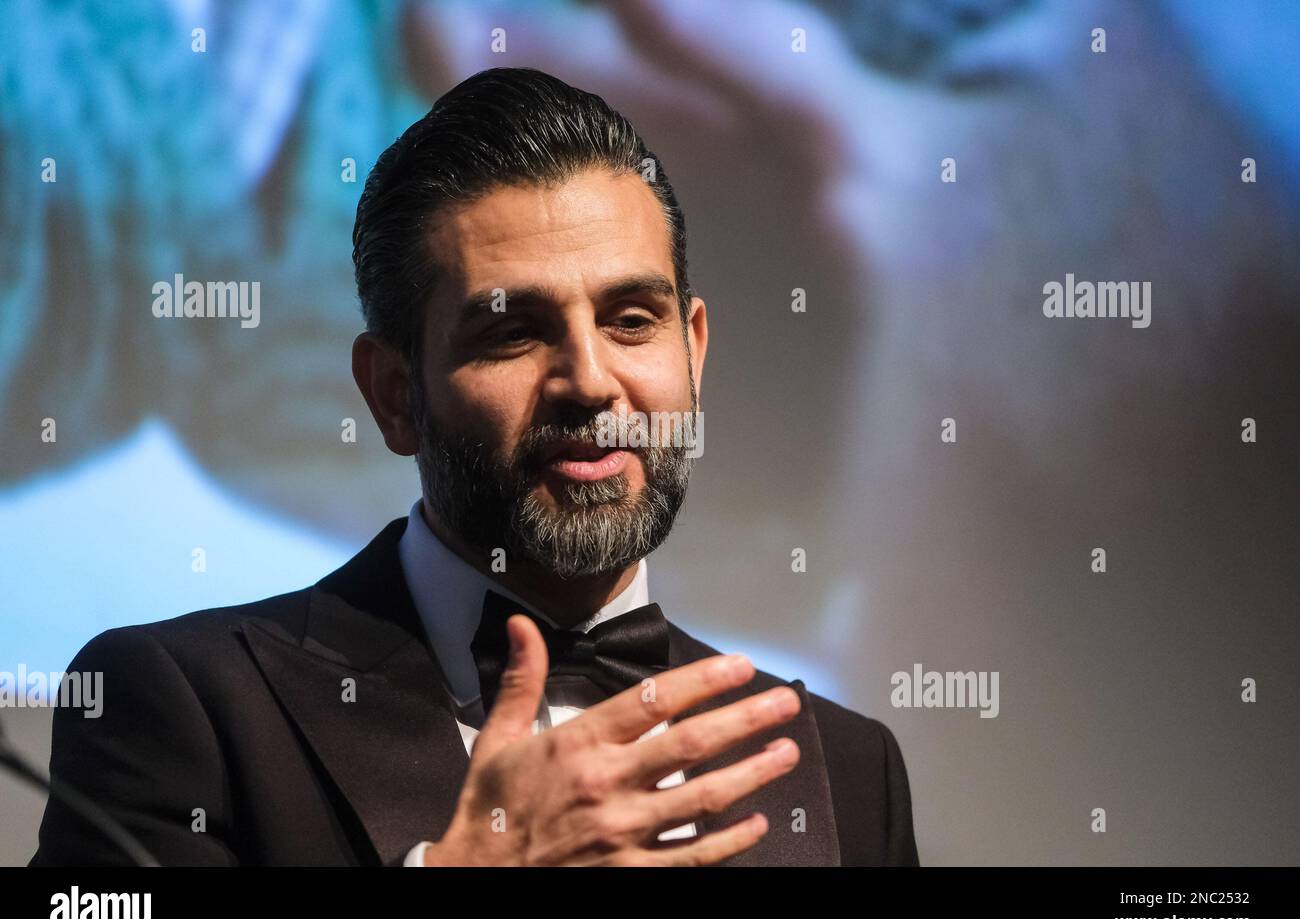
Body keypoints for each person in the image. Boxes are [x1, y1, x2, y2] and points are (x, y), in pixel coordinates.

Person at [30, 67, 918, 867]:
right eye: (513, 332)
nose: (590, 380)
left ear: (693, 350)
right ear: (393, 395)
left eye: (632, 320)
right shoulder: (185, 708)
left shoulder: (844, 768)